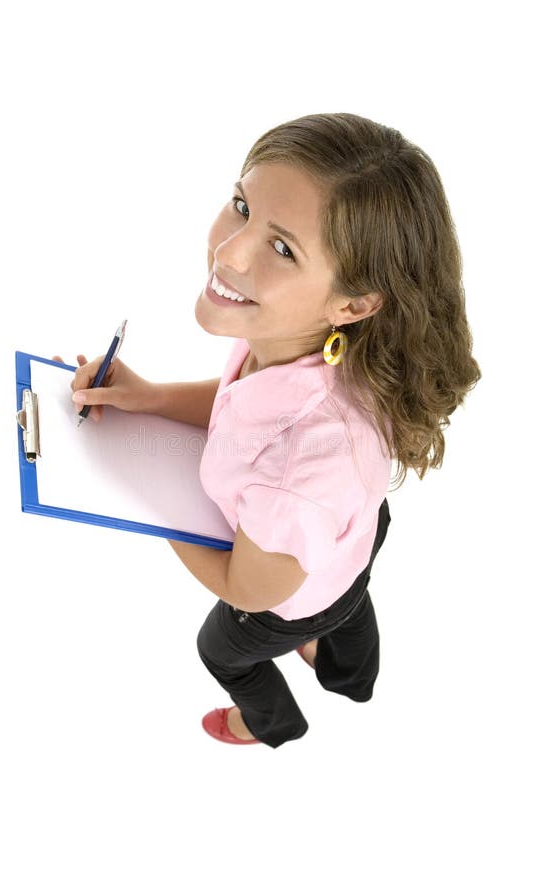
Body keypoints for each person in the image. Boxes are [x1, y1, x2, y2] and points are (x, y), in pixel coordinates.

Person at [57, 112, 481, 749]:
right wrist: (149, 398)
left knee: (222, 649)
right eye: (240, 205)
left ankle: (271, 720)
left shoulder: (299, 471)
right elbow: (240, 404)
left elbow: (246, 589)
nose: (228, 251)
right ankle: (351, 673)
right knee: (348, 599)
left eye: (283, 248)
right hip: (351, 541)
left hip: (291, 590)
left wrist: (139, 502)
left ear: (357, 303)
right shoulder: (303, 343)